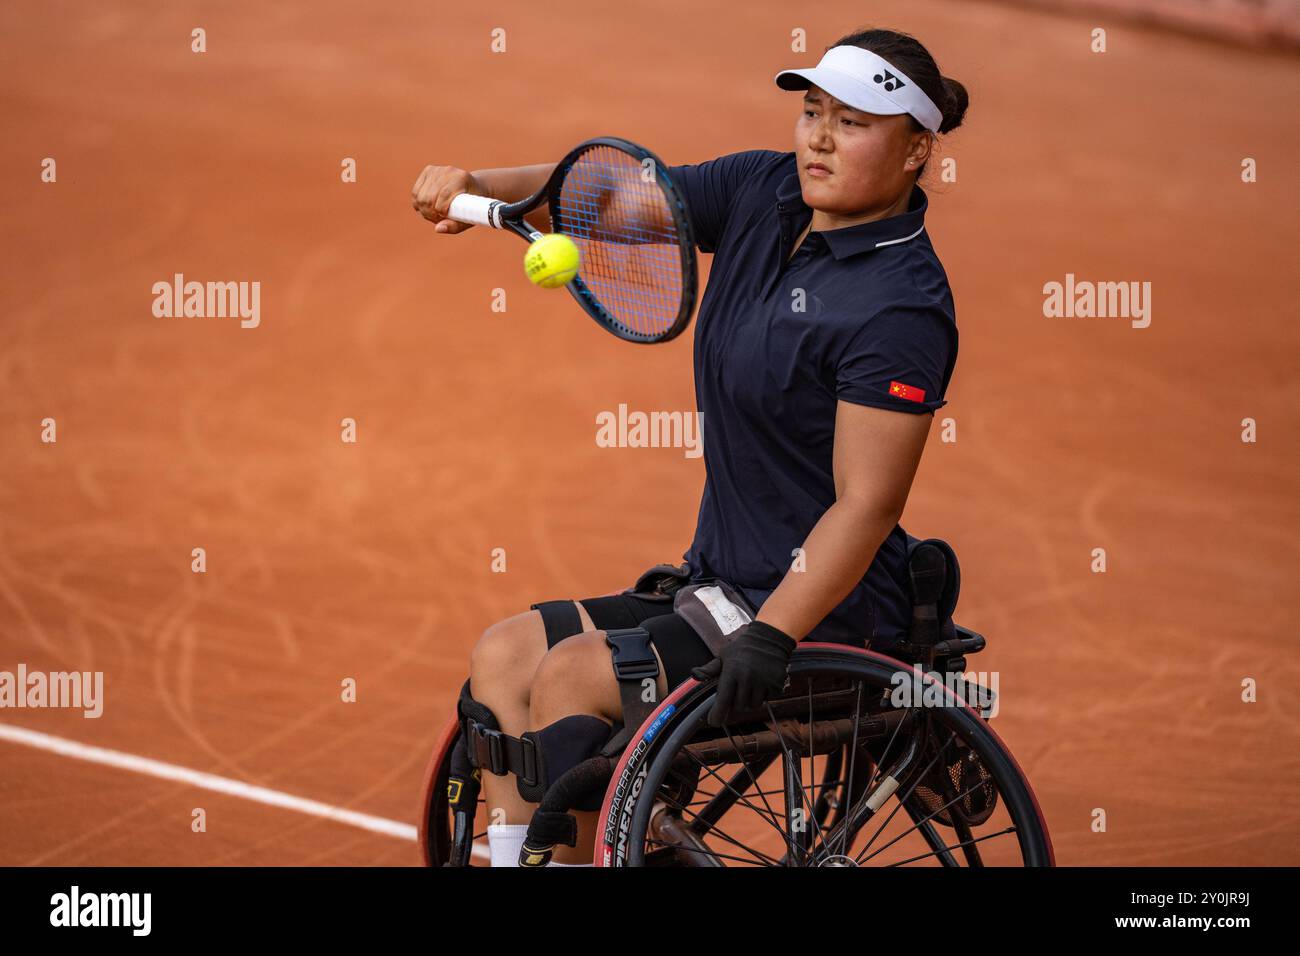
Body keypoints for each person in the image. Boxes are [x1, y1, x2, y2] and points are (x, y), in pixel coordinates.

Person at [411, 26, 968, 867]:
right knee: (505, 656)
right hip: (717, 584)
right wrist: (478, 186)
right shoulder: (765, 189)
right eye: (812, 110)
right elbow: (608, 201)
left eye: (852, 122)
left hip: (818, 612)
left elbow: (867, 502)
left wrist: (775, 633)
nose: (818, 137)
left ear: (917, 149)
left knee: (570, 679)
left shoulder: (898, 306)